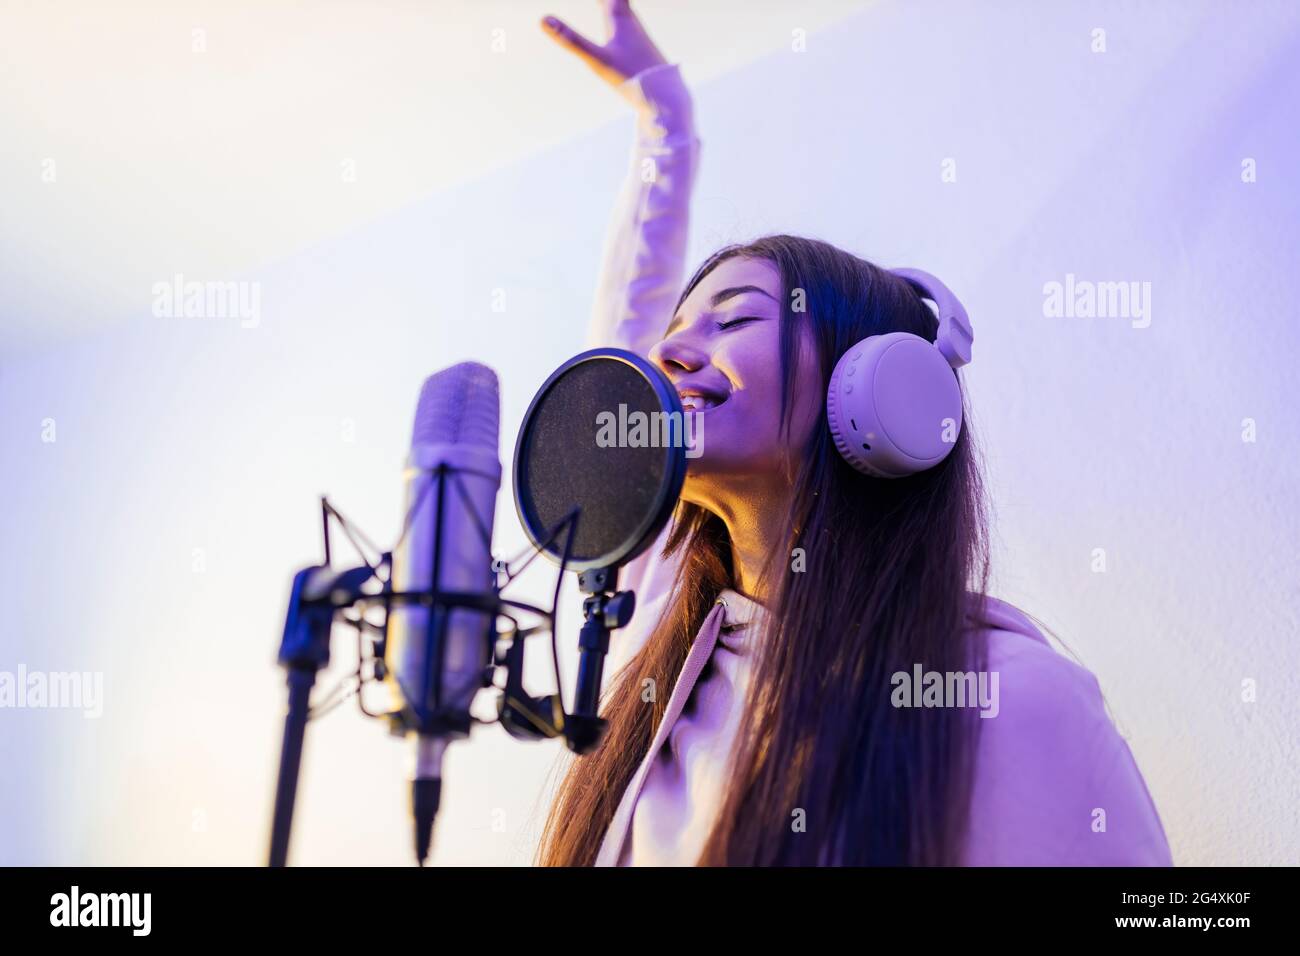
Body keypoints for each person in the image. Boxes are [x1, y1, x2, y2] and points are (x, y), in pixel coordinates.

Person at [534, 1, 1172, 867]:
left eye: (734, 320)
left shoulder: (1006, 701)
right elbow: (622, 345)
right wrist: (664, 127)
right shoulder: (660, 628)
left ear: (872, 390)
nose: (671, 354)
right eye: (676, 331)